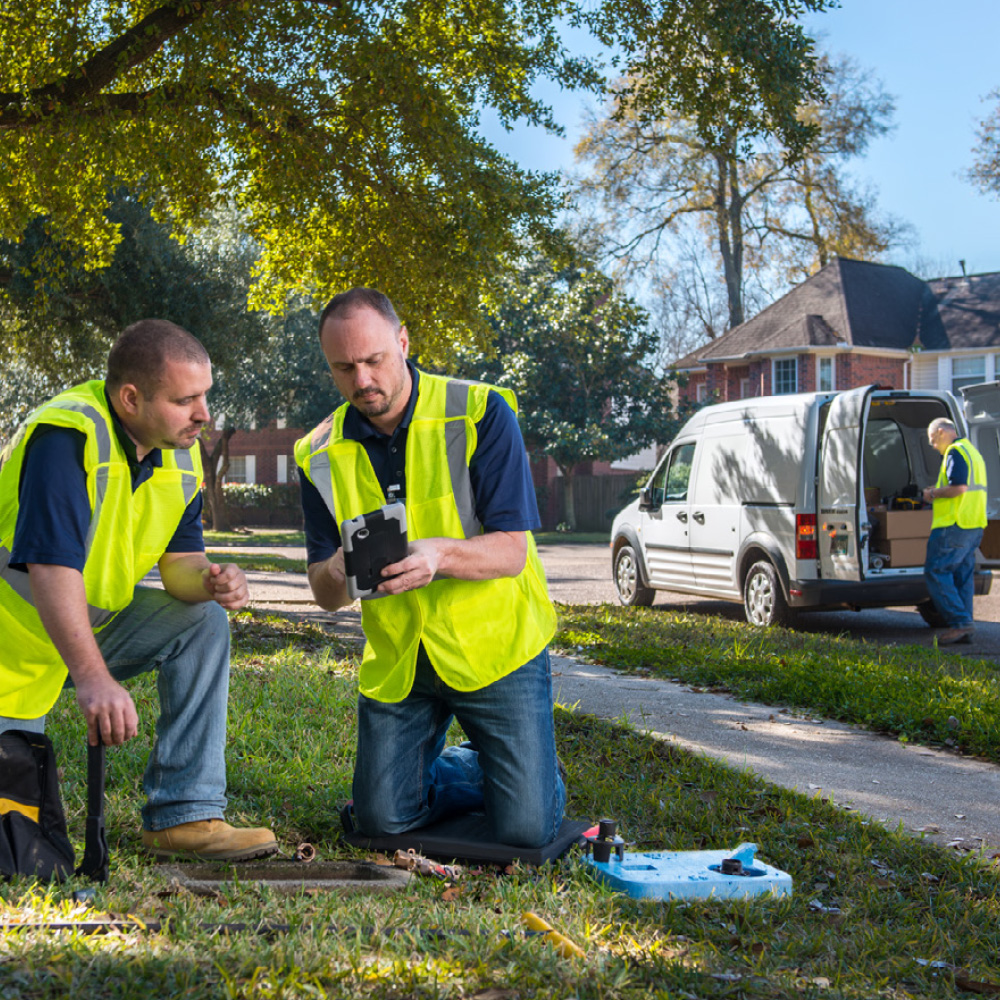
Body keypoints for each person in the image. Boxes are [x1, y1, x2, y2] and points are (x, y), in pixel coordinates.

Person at [295, 288, 565, 848]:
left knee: (525, 827)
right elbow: (325, 593)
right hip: (401, 660)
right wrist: (345, 565)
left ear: (403, 342)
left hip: (496, 647)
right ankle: (483, 770)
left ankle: (511, 773)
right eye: (344, 368)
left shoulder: (480, 411)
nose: (362, 379)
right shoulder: (316, 452)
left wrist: (437, 555)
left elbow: (512, 550)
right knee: (381, 822)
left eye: (373, 360)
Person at [0, 320, 277, 861]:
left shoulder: (180, 451)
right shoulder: (66, 436)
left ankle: (185, 818)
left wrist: (212, 581)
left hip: (81, 630)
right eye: (186, 400)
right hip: (9, 646)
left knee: (201, 622)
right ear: (131, 398)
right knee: (13, 839)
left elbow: (180, 566)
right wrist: (94, 679)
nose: (204, 414)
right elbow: (51, 569)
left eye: (205, 396)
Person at [921, 416, 988, 645]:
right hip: (973, 525)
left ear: (941, 432)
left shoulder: (954, 451)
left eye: (932, 440)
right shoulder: (973, 452)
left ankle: (960, 623)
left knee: (936, 571)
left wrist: (932, 494)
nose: (933, 446)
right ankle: (965, 627)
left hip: (954, 525)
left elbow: (958, 487)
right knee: (963, 578)